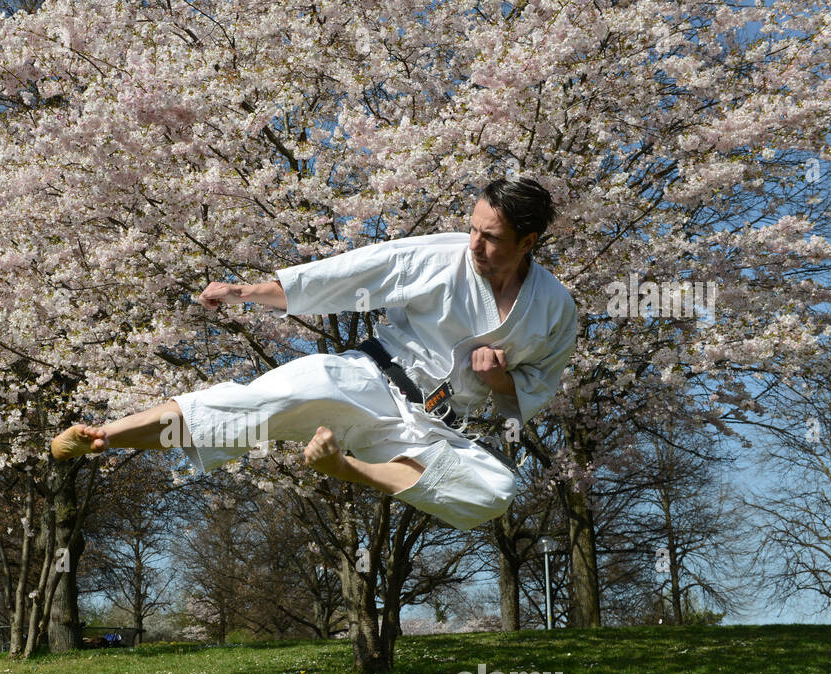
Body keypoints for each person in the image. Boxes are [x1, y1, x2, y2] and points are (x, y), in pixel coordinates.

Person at [50, 177, 578, 530]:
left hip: (429, 426)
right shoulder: (437, 257)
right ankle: (103, 437)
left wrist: (502, 382)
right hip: (366, 378)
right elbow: (348, 276)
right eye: (472, 228)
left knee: (493, 492)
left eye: (490, 237)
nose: (474, 245)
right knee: (254, 406)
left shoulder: (554, 309)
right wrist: (248, 293)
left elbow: (538, 386)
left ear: (528, 241)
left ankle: (347, 468)